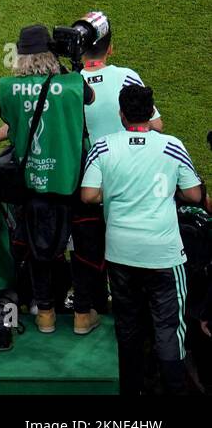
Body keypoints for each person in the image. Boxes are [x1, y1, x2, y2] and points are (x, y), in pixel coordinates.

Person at [81, 84, 204, 395]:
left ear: (121, 115)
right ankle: (173, 390)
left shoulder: (104, 147)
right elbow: (194, 194)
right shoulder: (171, 146)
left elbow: (88, 195)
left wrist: (118, 194)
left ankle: (131, 391)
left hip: (121, 253)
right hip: (163, 255)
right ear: (151, 113)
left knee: (128, 324)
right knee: (167, 329)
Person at [0, 24, 103, 335]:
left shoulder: (6, 86)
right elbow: (90, 97)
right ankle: (82, 313)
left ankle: (45, 314)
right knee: (81, 248)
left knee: (38, 247)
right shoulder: (72, 84)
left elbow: (12, 125)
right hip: (73, 180)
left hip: (33, 181)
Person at [78, 11, 163, 140]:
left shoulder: (70, 83)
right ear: (110, 49)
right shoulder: (127, 77)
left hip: (82, 159)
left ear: (79, 49)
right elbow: (157, 126)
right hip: (120, 158)